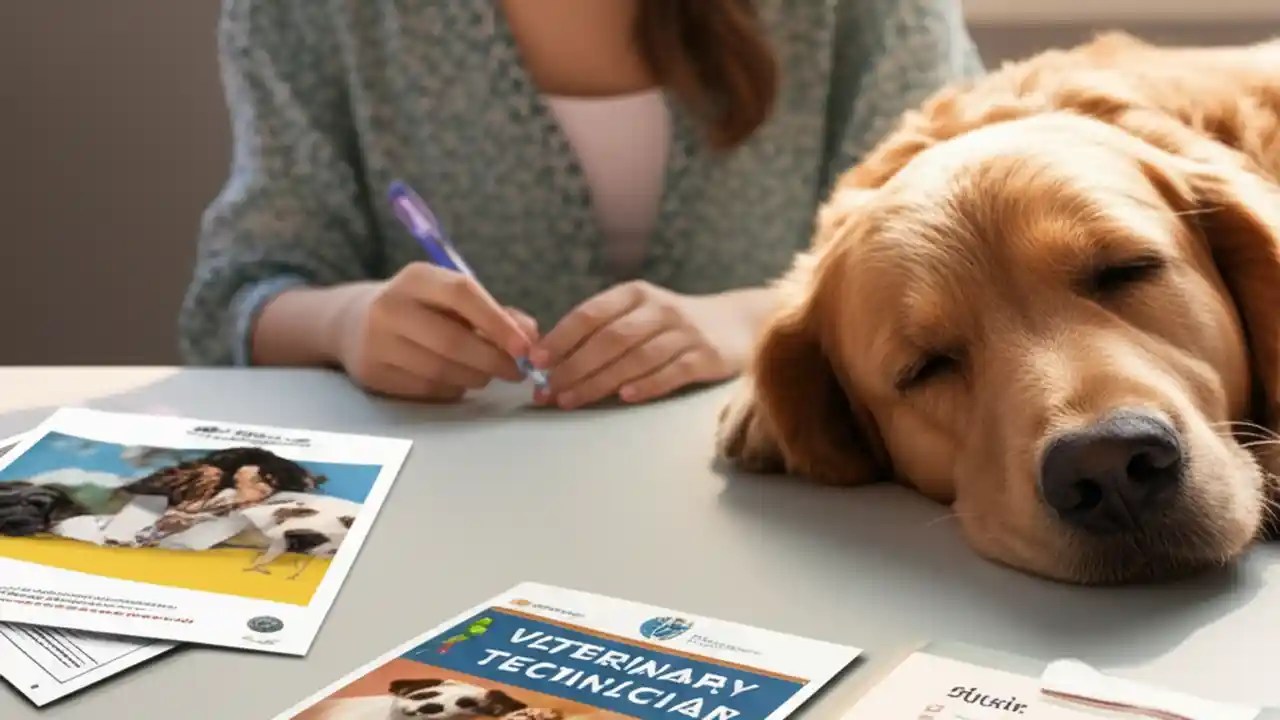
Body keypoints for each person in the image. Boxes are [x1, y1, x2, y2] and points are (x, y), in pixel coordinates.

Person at [180, 0, 983, 409]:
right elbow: (236, 301)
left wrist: (751, 322)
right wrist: (347, 324)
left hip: (789, 502)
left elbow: (967, 267)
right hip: (449, 515)